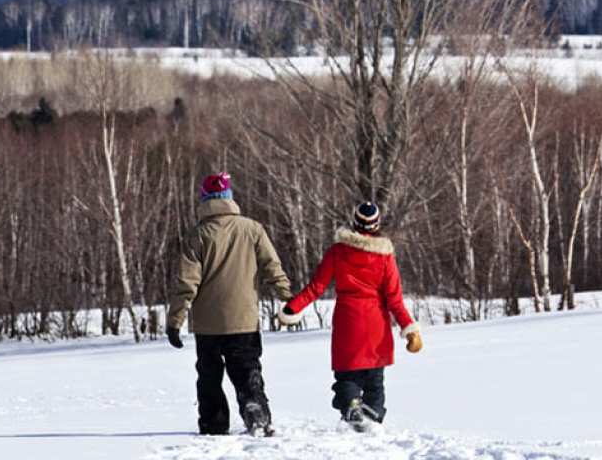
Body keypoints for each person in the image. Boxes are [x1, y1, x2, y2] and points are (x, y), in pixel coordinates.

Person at [167, 173, 294, 437]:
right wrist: (288, 297)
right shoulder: (252, 229)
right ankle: (255, 410)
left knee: (209, 377)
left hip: (208, 325)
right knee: (247, 368)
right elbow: (272, 267)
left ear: (204, 199)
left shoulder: (197, 235)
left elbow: (186, 283)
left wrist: (175, 321)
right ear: (229, 198)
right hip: (244, 320)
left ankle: (213, 425)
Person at [278, 201, 422, 431]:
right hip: (376, 325)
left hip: (348, 323)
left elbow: (316, 287)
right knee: (375, 381)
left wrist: (292, 308)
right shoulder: (385, 257)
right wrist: (410, 330)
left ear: (354, 222)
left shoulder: (338, 251)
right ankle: (372, 419)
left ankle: (351, 408)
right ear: (377, 225)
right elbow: (394, 299)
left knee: (347, 376)